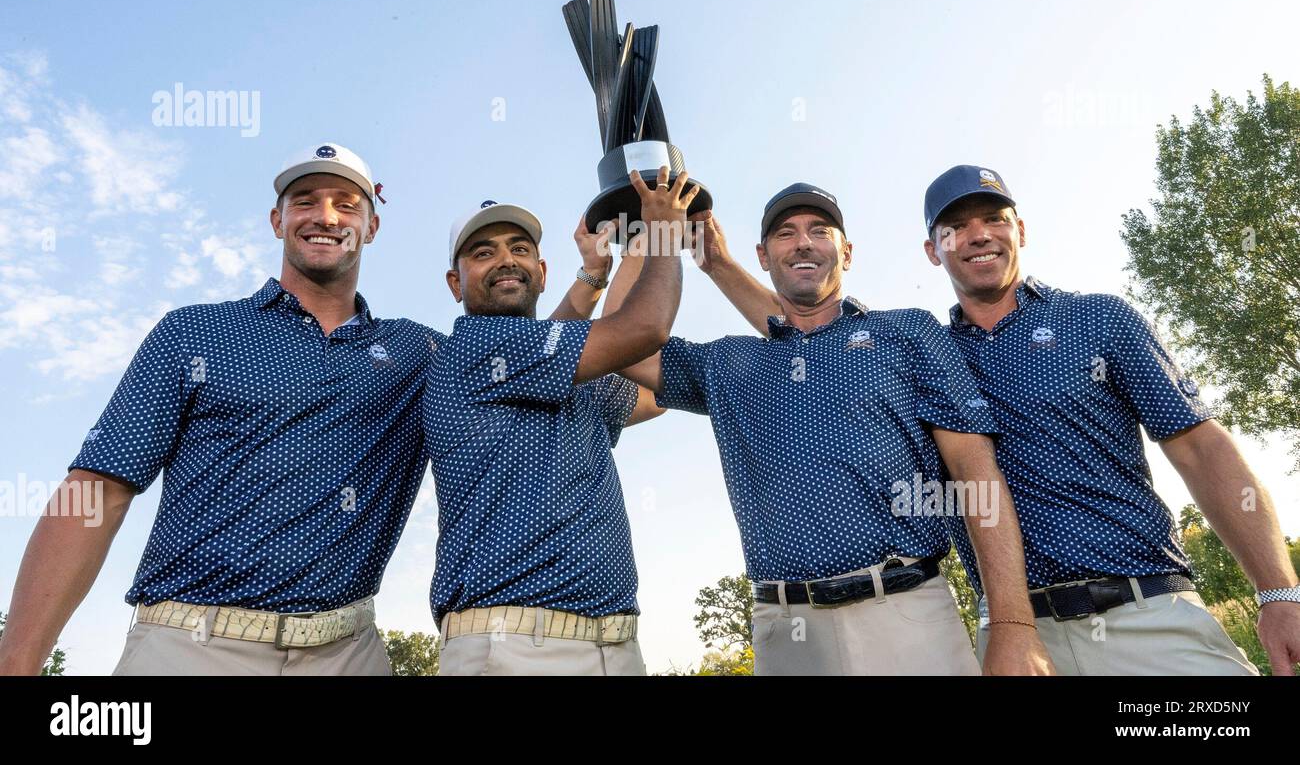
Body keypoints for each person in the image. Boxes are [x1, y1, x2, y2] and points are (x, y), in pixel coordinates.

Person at [0, 143, 613, 676]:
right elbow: (97, 490)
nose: (326, 216)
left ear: (371, 227)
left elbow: (530, 364)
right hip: (189, 643)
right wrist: (19, 662)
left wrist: (592, 278)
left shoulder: (423, 353)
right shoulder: (194, 333)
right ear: (277, 220)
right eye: (306, 201)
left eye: (347, 205)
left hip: (345, 650)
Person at [614, 182, 1053, 675]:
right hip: (786, 630)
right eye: (785, 233)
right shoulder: (729, 361)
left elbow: (975, 473)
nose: (803, 242)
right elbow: (622, 341)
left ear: (846, 251)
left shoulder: (907, 333)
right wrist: (652, 233)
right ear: (762, 255)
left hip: (908, 614)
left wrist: (1014, 624)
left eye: (820, 230)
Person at [918, 164, 1300, 675]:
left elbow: (1199, 447)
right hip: (1016, 640)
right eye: (956, 227)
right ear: (932, 250)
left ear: (1021, 231)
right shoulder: (922, 357)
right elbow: (798, 321)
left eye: (994, 219)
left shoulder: (1097, 319)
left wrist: (1279, 590)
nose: (979, 235)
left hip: (1145, 616)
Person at [426, 168, 695, 675]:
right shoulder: (471, 349)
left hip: (613, 642)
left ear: (543, 272)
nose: (506, 259)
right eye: (483, 253)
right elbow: (642, 329)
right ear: (454, 281)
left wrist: (612, 263)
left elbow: (645, 391)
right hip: (508, 646)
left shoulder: (559, 368)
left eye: (520, 249)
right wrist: (662, 237)